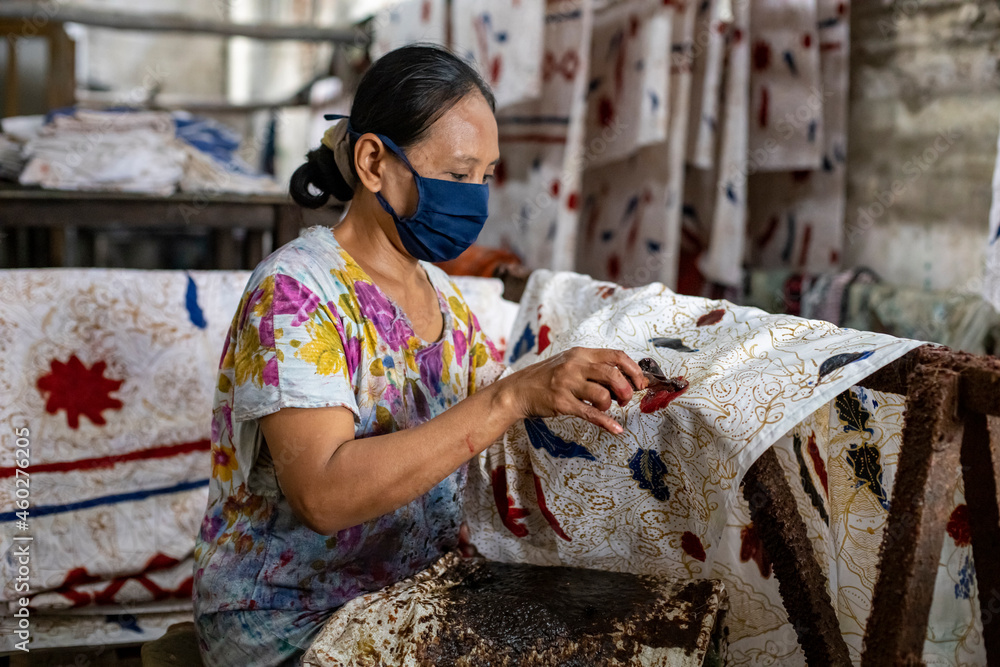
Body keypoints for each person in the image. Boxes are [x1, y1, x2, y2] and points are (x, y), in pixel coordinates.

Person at [191, 44, 647, 666]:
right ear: (375, 161)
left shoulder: (446, 302)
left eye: (485, 176)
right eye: (458, 175)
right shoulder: (297, 292)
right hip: (290, 618)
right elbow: (324, 495)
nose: (475, 197)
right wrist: (510, 397)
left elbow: (488, 437)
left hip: (406, 601)